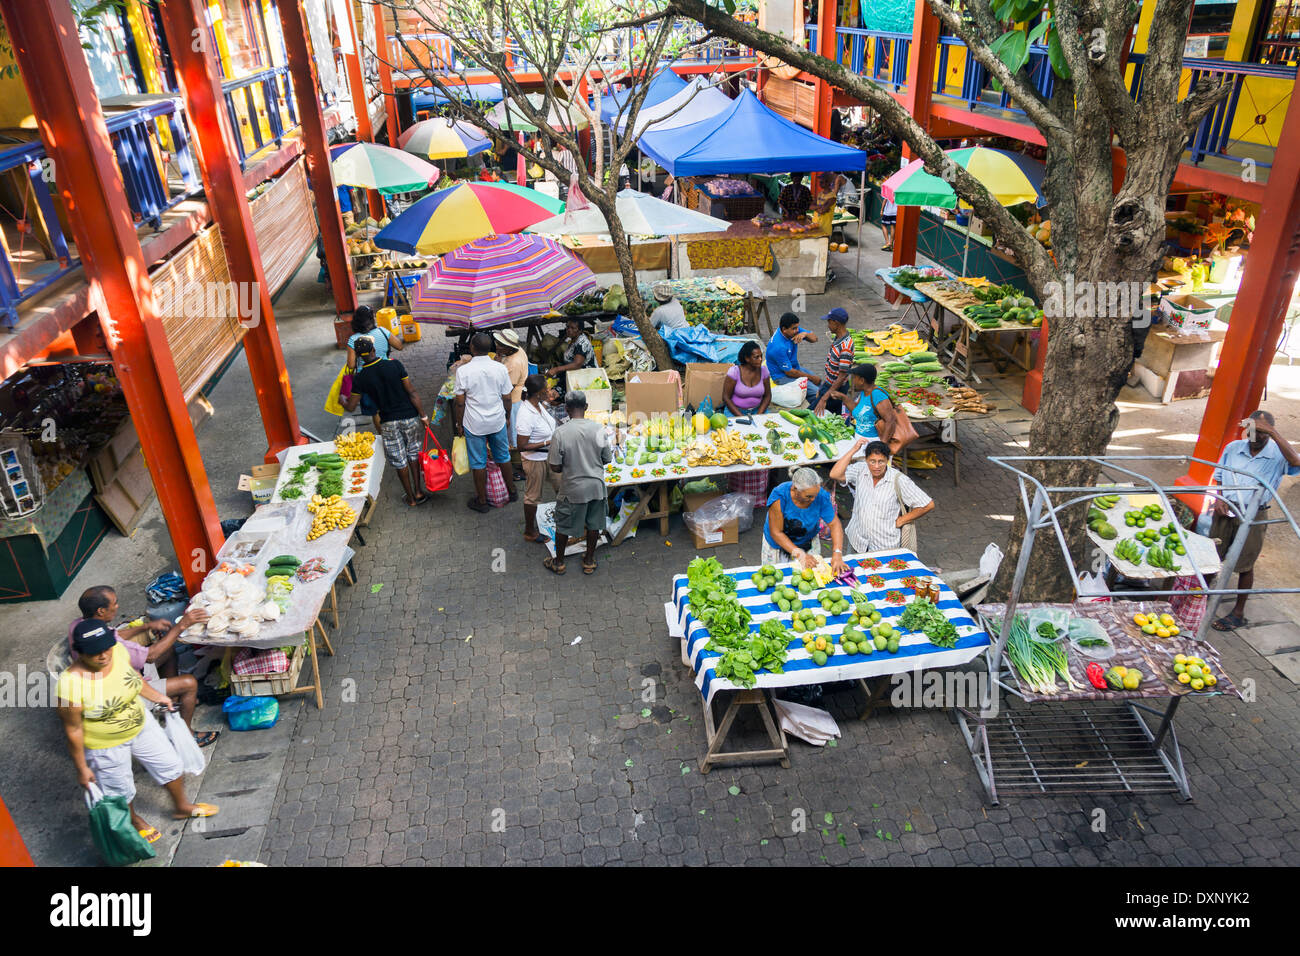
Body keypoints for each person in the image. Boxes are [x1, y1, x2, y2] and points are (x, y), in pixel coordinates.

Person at [58, 620, 219, 846]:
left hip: (141, 725)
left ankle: (181, 806)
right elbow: (73, 729)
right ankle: (134, 820)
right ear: (80, 653)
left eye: (106, 648)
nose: (104, 656)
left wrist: (158, 696)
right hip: (106, 744)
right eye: (95, 653)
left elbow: (135, 681)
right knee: (118, 789)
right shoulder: (70, 684)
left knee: (170, 764)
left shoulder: (118, 651)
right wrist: (82, 768)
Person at [68, 586, 217, 747]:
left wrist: (145, 627)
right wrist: (182, 625)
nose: (117, 606)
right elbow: (151, 655)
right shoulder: (112, 649)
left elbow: (114, 634)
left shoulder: (82, 627)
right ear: (101, 611)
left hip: (112, 678)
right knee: (189, 683)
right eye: (114, 603)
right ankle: (186, 736)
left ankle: (172, 704)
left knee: (167, 652)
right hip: (125, 695)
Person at [1209, 410, 1300, 631]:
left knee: (1245, 563)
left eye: (1261, 432)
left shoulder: (1278, 454)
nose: (1255, 436)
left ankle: (1238, 613)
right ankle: (1198, 599)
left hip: (1254, 513)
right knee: (1210, 555)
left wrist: (1274, 433)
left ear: (1270, 432)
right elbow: (1219, 475)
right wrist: (1219, 497)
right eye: (1251, 430)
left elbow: (1296, 462)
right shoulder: (1233, 448)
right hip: (1226, 509)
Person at [344, 337, 430, 507]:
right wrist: (423, 416)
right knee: (413, 453)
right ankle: (419, 490)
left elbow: (351, 406)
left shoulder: (360, 378)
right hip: (409, 416)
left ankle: (411, 498)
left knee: (399, 460)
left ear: (359, 356)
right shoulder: (394, 365)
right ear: (374, 350)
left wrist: (342, 399)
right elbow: (411, 391)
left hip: (388, 422)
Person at [545, 390, 612, 575]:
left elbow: (555, 467)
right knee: (593, 525)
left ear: (566, 409)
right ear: (587, 408)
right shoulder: (598, 429)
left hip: (573, 489)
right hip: (596, 488)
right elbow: (607, 459)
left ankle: (558, 562)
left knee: (563, 525)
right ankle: (589, 561)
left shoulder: (560, 433)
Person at [830, 438, 934, 553]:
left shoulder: (899, 480)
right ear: (866, 460)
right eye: (872, 461)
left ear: (887, 460)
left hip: (884, 544)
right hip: (858, 539)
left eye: (881, 461)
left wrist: (902, 520)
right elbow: (835, 474)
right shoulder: (860, 470)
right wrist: (854, 450)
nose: (876, 466)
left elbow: (927, 504)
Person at [454, 332, 516, 513]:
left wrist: (459, 424)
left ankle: (482, 501)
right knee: (503, 456)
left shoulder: (463, 371)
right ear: (491, 348)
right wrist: (508, 416)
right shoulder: (500, 368)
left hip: (474, 423)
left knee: (478, 463)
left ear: (472, 348)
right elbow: (507, 397)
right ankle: (512, 492)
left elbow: (460, 402)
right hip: (496, 420)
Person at [763, 467, 846, 576]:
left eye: (815, 495)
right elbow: (776, 533)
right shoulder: (780, 496)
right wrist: (800, 555)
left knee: (810, 576)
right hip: (778, 543)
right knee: (776, 577)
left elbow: (834, 525)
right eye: (809, 496)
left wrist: (837, 553)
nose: (813, 499)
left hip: (807, 540)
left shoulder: (820, 496)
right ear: (795, 489)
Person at [346, 306, 406, 430]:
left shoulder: (353, 339)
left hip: (367, 379)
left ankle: (383, 436)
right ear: (371, 319)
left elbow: (351, 365)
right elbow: (400, 346)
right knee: (393, 403)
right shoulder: (383, 331)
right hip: (387, 373)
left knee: (376, 411)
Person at [517, 374, 560, 543]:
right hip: (535, 460)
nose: (549, 390)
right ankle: (529, 531)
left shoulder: (538, 405)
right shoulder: (525, 414)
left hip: (549, 455)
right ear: (538, 393)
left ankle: (565, 518)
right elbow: (521, 445)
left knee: (562, 486)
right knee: (533, 496)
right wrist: (547, 441)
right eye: (546, 389)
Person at [494, 328, 530, 482]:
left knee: (514, 437)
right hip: (516, 397)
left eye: (500, 345)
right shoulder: (515, 351)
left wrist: (507, 415)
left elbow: (506, 392)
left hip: (513, 401)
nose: (497, 346)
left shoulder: (513, 363)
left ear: (508, 348)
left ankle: (522, 469)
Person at [834, 363, 898, 444]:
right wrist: (843, 397)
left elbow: (890, 420)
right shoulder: (864, 392)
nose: (852, 381)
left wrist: (882, 446)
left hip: (874, 443)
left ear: (862, 380)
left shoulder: (877, 395)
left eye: (854, 378)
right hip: (861, 441)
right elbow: (857, 410)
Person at [813, 307, 855, 414]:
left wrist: (824, 398)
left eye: (829, 322)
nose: (828, 325)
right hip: (829, 386)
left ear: (836, 323)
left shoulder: (845, 347)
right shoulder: (838, 338)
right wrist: (822, 388)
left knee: (813, 415)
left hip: (835, 390)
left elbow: (841, 377)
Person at [766, 312, 821, 387]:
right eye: (794, 328)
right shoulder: (778, 346)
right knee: (815, 390)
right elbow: (790, 372)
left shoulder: (793, 330)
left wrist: (805, 334)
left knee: (819, 382)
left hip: (794, 368)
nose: (797, 330)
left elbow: (815, 339)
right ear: (784, 329)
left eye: (797, 327)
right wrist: (811, 378)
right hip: (781, 376)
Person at [546, 318, 596, 394]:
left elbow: (577, 364)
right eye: (568, 327)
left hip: (584, 375)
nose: (569, 330)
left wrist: (557, 369)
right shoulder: (574, 339)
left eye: (573, 328)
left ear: (580, 330)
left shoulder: (582, 343)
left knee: (554, 395)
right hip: (572, 373)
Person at [723, 341, 771, 416]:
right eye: (756, 357)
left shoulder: (764, 371)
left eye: (761, 356)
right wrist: (741, 416)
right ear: (747, 358)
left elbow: (768, 396)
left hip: (757, 410)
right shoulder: (734, 372)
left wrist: (759, 415)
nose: (761, 359)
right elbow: (726, 397)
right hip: (736, 411)